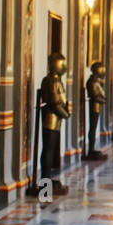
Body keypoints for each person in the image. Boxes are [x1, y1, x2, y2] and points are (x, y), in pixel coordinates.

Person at [34, 52, 71, 195]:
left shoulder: (56, 80)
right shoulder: (51, 81)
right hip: (51, 118)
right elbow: (55, 103)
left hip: (56, 119)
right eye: (63, 64)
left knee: (50, 150)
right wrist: (66, 114)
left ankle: (47, 180)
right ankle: (45, 184)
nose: (65, 67)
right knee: (48, 151)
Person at [85, 61, 107, 160]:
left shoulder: (96, 82)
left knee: (94, 127)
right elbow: (95, 96)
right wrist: (104, 100)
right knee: (93, 128)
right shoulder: (93, 82)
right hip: (94, 106)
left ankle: (92, 148)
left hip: (97, 106)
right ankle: (91, 150)